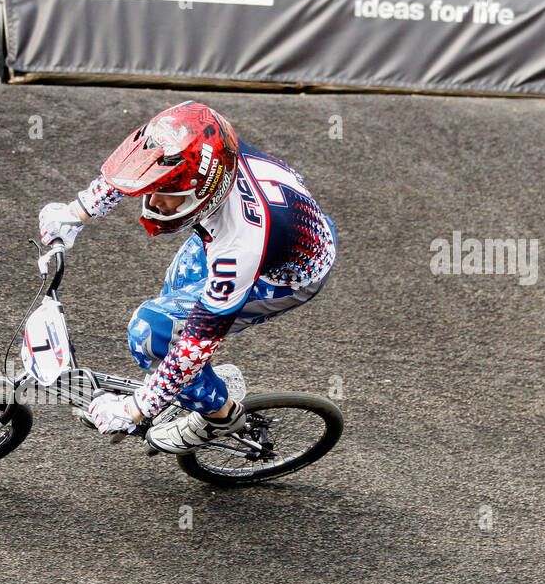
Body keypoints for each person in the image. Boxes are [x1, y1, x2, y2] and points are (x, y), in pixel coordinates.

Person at [38, 100, 337, 453]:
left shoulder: (238, 248)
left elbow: (197, 343)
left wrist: (136, 409)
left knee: (153, 332)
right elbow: (144, 165)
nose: (152, 202)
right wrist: (78, 211)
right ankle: (184, 388)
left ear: (203, 193)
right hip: (261, 230)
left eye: (166, 195)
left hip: (280, 277)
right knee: (171, 310)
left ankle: (220, 417)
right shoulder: (209, 150)